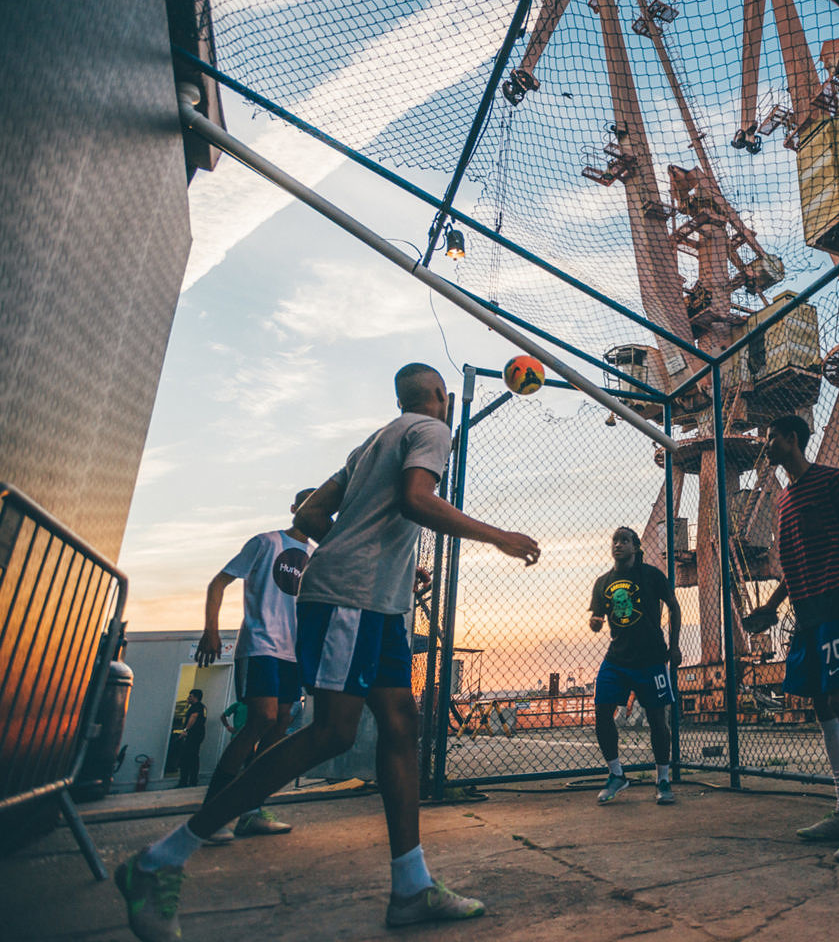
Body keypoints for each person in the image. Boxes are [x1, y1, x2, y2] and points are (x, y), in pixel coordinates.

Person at [117, 363, 542, 942]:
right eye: (444, 398)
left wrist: (357, 544)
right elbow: (417, 499)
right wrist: (499, 537)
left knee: (400, 724)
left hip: (376, 604)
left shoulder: (370, 445)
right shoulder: (432, 429)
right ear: (441, 396)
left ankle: (411, 887)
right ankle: (161, 859)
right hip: (351, 598)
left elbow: (310, 515)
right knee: (332, 733)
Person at [743, 413, 839, 862]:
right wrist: (771, 607)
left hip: (837, 601)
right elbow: (792, 567)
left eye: (772, 437)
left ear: (792, 439)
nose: (767, 444)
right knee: (822, 704)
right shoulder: (784, 499)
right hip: (806, 613)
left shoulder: (832, 479)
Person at [192, 487, 317, 842]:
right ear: (294, 508)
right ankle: (210, 814)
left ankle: (251, 811)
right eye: (309, 504)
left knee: (281, 723)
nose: (316, 511)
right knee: (261, 718)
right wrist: (211, 630)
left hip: (293, 652)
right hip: (261, 644)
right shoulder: (265, 542)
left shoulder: (318, 556)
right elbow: (219, 582)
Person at [589, 526, 682, 806]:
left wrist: (675, 646)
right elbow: (597, 617)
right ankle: (617, 775)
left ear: (635, 546)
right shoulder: (603, 582)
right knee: (602, 713)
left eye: (624, 540)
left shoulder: (651, 575)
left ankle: (663, 779)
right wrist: (595, 622)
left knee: (657, 720)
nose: (618, 544)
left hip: (651, 659)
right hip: (617, 659)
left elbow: (674, 606)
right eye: (614, 540)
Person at [175, 690, 206, 788]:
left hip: (193, 735)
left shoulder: (197, 707)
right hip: (197, 735)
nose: (188, 697)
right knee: (193, 757)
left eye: (190, 696)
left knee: (187, 757)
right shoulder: (201, 707)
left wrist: (185, 730)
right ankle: (192, 780)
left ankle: (184, 781)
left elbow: (193, 717)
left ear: (195, 697)